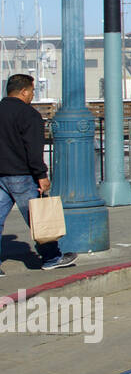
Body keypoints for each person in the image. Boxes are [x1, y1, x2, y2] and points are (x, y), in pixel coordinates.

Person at [0, 74, 77, 273]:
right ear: (24, 91)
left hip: (1, 174)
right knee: (38, 218)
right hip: (22, 175)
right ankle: (52, 257)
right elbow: (33, 148)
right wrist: (41, 175)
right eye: (32, 91)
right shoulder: (29, 114)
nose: (32, 95)